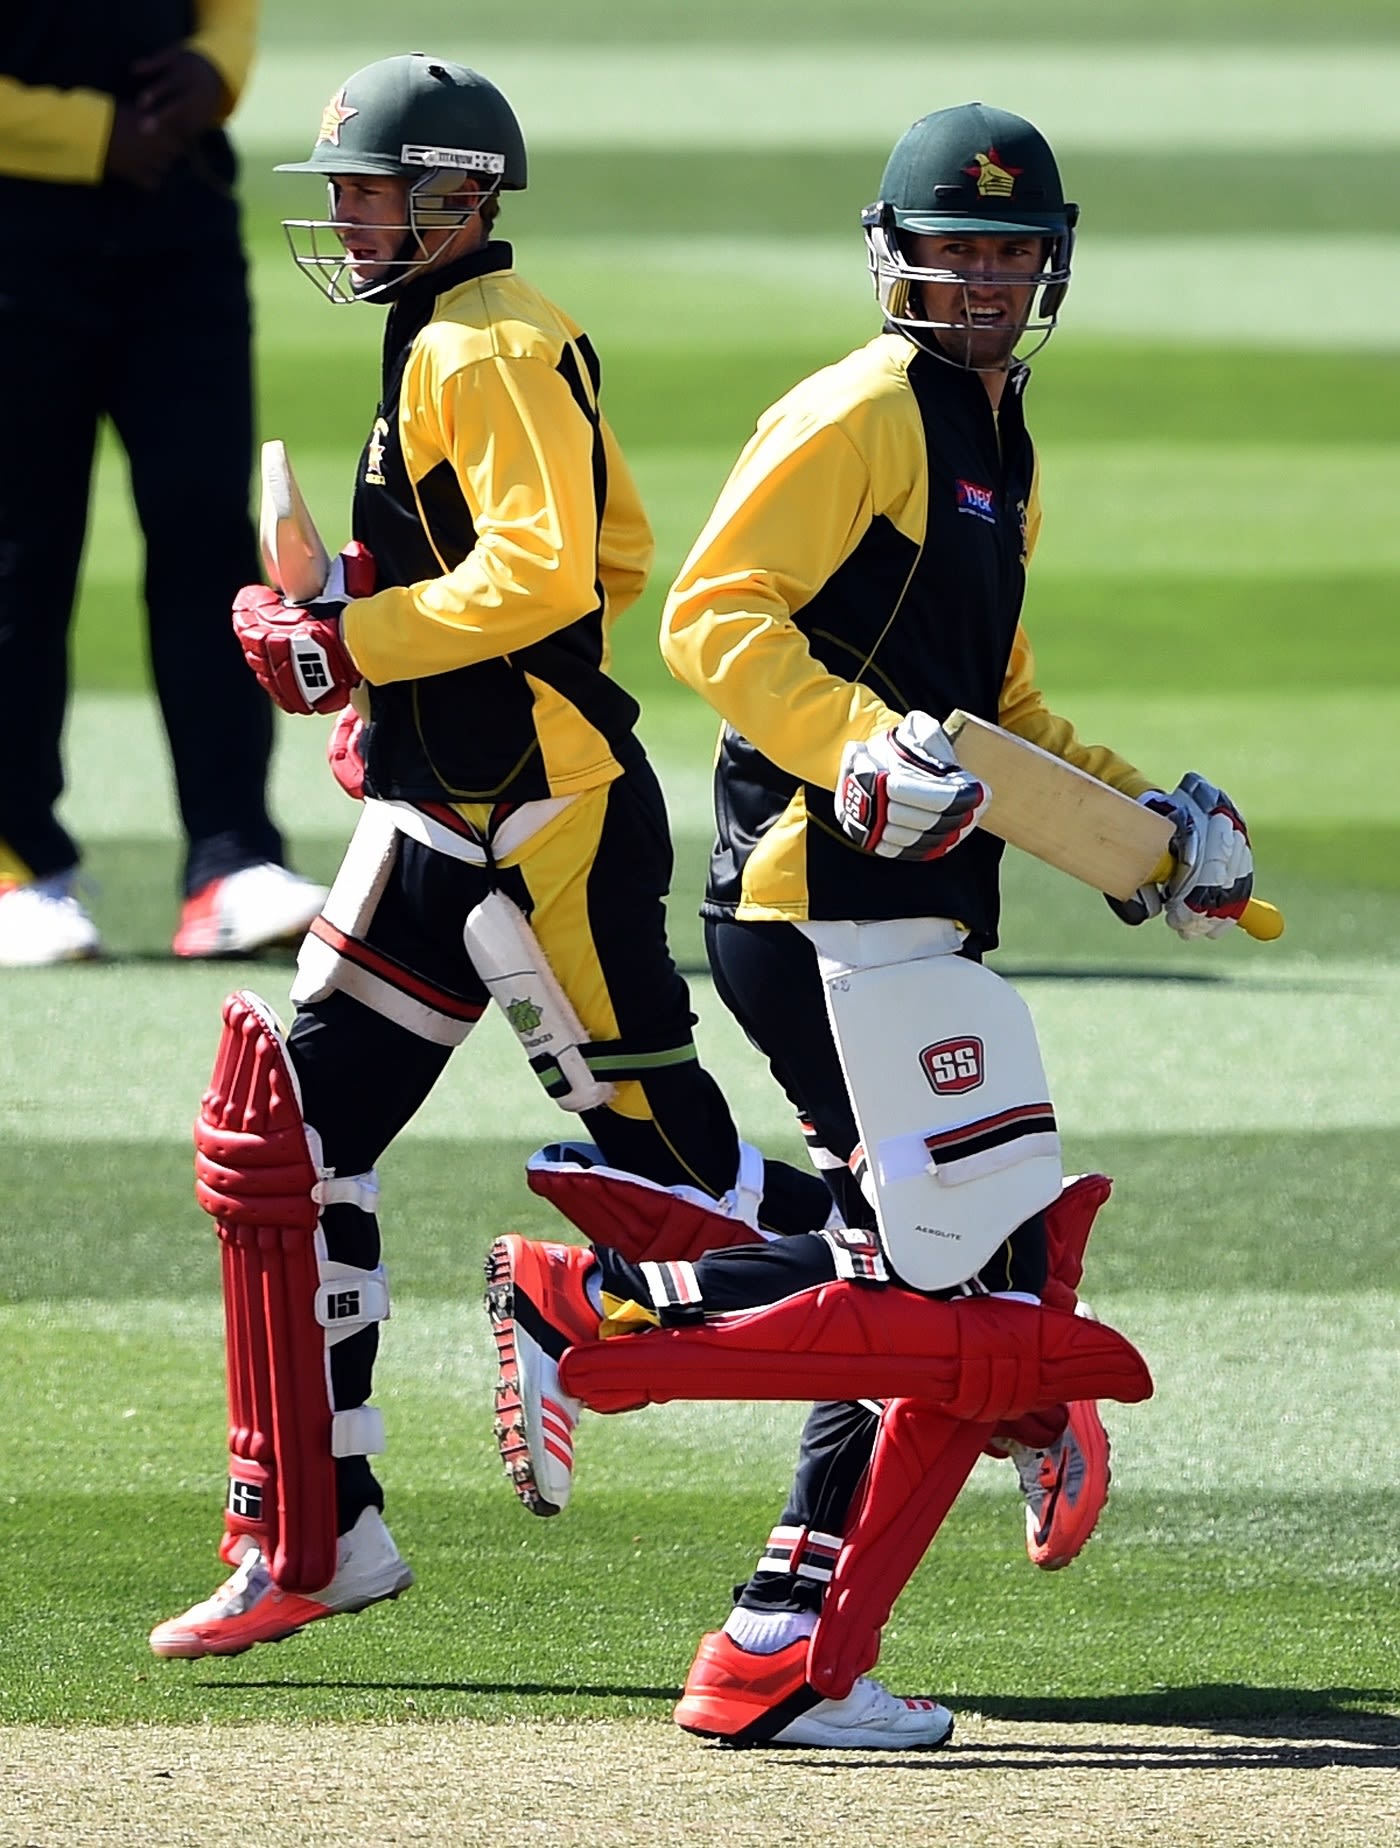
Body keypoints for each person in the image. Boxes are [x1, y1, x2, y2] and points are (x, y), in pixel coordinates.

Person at [482, 102, 1255, 1749]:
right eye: (955, 249)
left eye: (1009, 252)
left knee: (921, 1264)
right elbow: (710, 611)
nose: (982, 279)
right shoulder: (864, 411)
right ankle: (597, 1314)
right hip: (819, 899)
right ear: (895, 257)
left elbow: (999, 707)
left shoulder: (999, 437)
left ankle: (777, 1636)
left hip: (896, 910)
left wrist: (1155, 835)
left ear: (1049, 265)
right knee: (951, 1264)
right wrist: (851, 747)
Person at [148, 51, 832, 1662]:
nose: (351, 220)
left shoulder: (494, 343)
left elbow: (544, 574)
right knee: (287, 1149)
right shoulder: (446, 336)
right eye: (345, 197)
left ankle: (982, 1346)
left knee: (681, 1187)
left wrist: (354, 638)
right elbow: (601, 546)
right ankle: (318, 1534)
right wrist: (376, 668)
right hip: (442, 809)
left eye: (373, 194)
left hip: (548, 822)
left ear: (461, 199)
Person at [0, 1, 329, 966]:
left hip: (178, 225)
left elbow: (226, 9)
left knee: (207, 536)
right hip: (15, 230)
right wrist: (97, 134)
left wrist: (214, 67)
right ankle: (16, 865)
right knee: (21, 552)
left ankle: (230, 862)